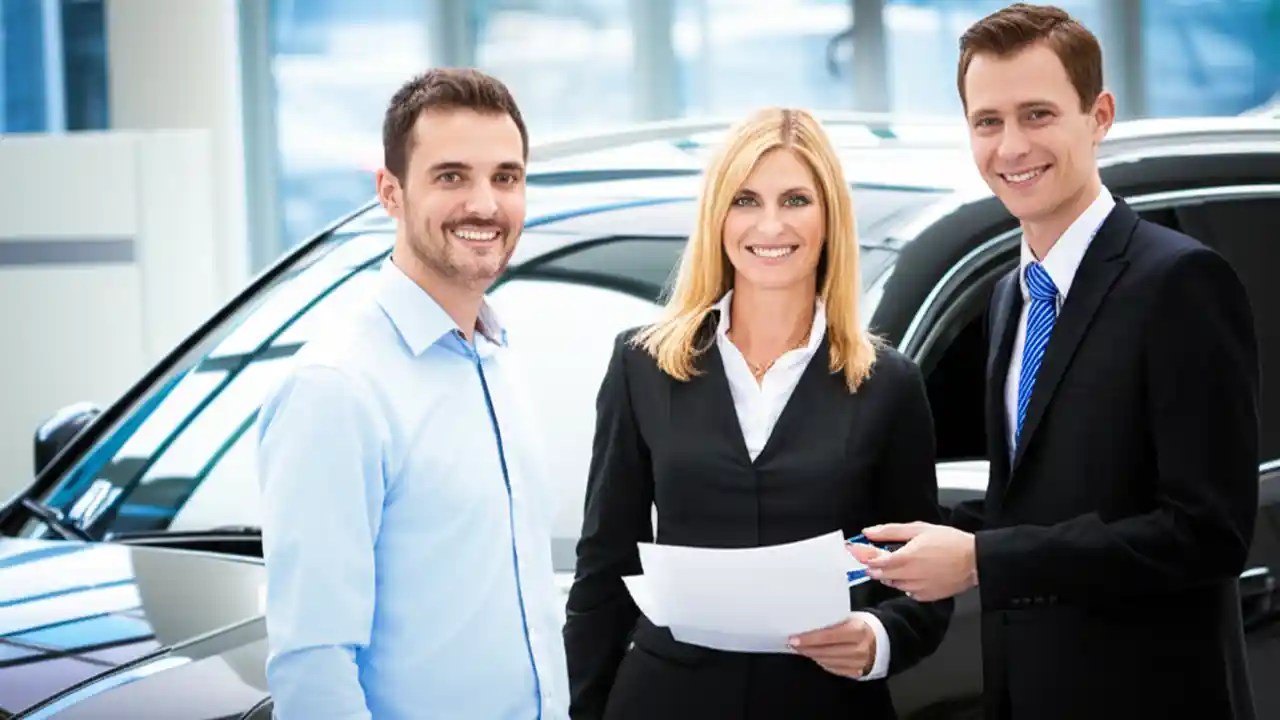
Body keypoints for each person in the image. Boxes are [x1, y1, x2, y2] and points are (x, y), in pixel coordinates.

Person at [853, 5, 1261, 719]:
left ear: (1098, 115)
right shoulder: (1012, 294)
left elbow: (1207, 533)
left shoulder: (1180, 283)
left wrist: (983, 561)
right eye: (987, 122)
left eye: (1037, 114)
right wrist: (926, 541)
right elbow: (1045, 504)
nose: (1011, 146)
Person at [563, 107, 953, 720]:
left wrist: (876, 639)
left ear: (829, 217)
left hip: (824, 704)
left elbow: (920, 583)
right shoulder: (642, 365)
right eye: (746, 199)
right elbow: (602, 571)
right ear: (718, 215)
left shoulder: (888, 383)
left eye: (795, 199)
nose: (770, 224)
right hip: (666, 702)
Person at [256, 68, 569, 719]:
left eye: (505, 177)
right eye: (451, 176)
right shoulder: (338, 388)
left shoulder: (494, 358)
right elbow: (312, 667)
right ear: (390, 193)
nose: (485, 204)